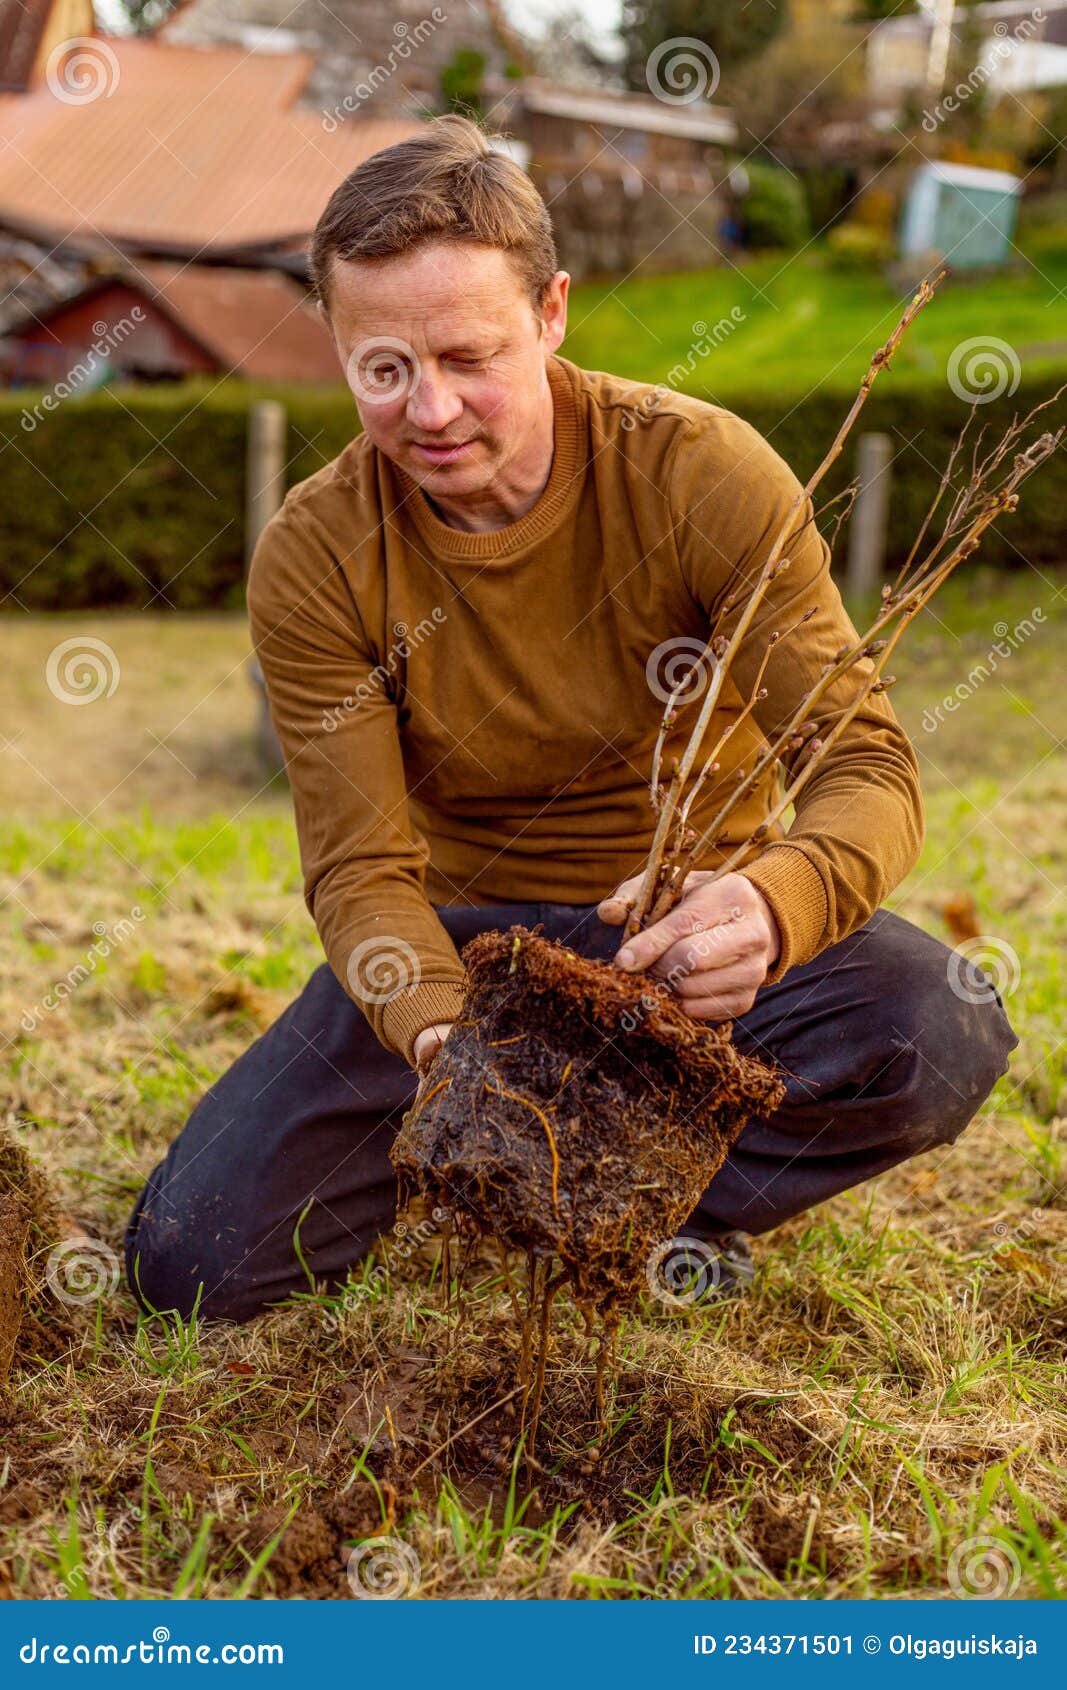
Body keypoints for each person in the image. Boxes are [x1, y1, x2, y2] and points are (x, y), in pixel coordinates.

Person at [124, 117, 1015, 1323]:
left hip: (681, 953)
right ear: (336, 348)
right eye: (381, 367)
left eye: (467, 355)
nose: (428, 409)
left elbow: (864, 766)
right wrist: (449, 1051)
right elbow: (359, 874)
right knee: (192, 1265)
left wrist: (767, 902)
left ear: (549, 313)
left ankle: (659, 1196)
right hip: (469, 961)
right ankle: (493, 1171)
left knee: (937, 1023)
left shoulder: (698, 474)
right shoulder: (314, 556)